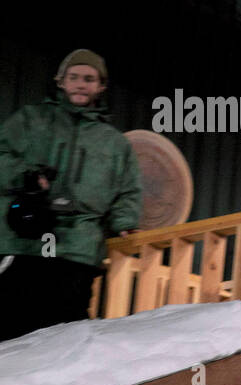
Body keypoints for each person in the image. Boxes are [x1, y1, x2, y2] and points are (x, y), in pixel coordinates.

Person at [0, 49, 141, 341]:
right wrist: (24, 174)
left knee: (63, 335)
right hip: (24, 242)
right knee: (9, 327)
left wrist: (125, 220)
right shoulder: (30, 119)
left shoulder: (114, 143)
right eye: (74, 77)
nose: (81, 84)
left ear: (101, 86)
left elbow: (127, 189)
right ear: (60, 81)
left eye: (89, 79)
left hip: (78, 250)